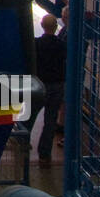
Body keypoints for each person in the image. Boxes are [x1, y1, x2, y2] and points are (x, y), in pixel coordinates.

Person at [31, 13, 67, 168]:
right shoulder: (62, 45)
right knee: (50, 121)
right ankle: (45, 155)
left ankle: (24, 143)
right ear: (56, 27)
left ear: (42, 26)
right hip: (57, 86)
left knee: (30, 116)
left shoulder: (36, 44)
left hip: (39, 86)